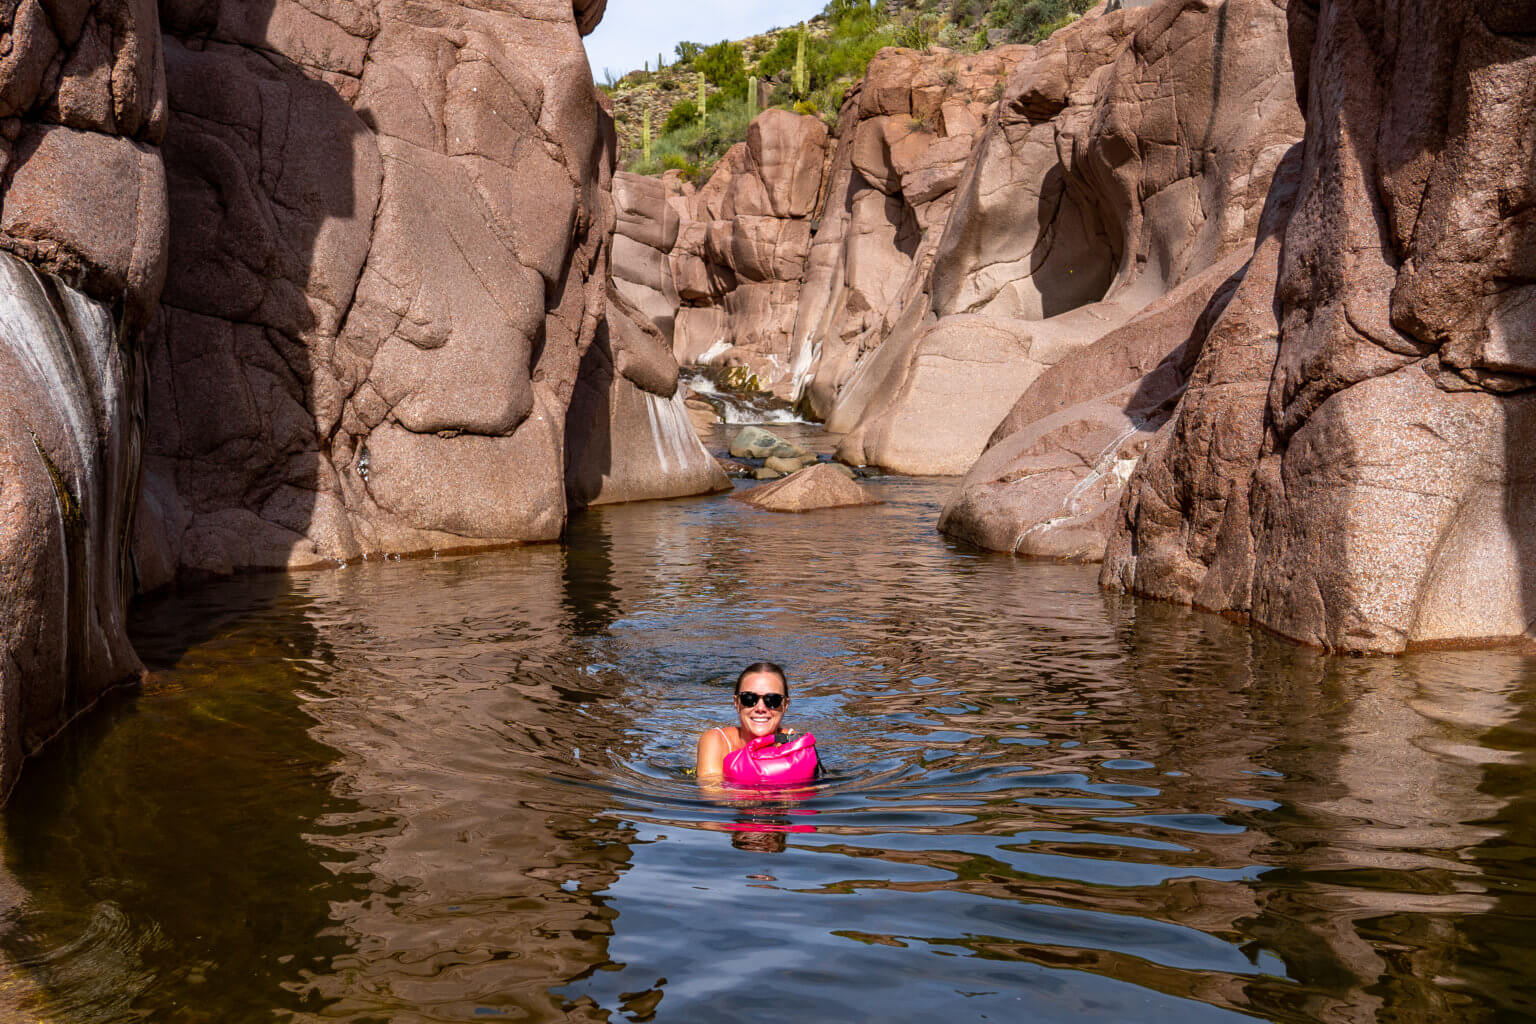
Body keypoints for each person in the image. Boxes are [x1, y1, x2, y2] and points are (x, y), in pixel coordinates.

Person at [696, 662, 799, 780]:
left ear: (785, 705)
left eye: (772, 700)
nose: (760, 708)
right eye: (749, 699)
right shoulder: (716, 741)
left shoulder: (794, 743)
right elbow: (712, 792)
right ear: (737, 702)